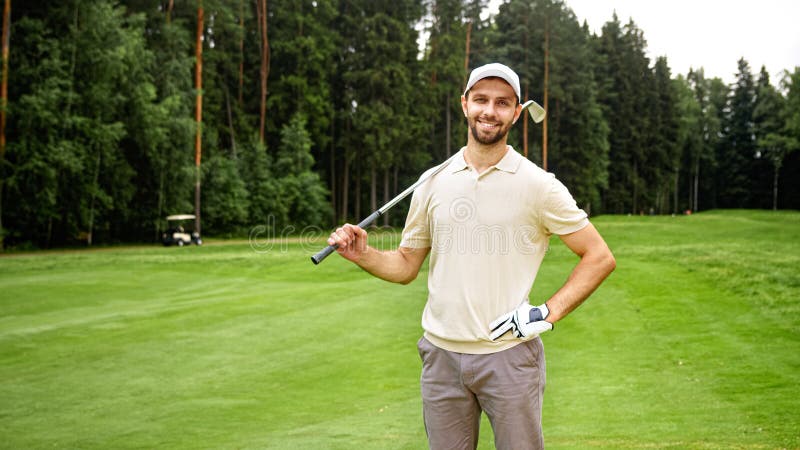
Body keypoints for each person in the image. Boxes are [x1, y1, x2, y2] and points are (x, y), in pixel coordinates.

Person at [327, 62, 616, 450]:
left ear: (517, 112)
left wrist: (546, 313)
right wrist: (363, 254)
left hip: (509, 356)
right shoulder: (432, 182)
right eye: (481, 100)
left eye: (502, 103)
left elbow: (598, 256)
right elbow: (406, 265)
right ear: (465, 104)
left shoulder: (539, 186)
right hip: (441, 358)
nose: (489, 111)